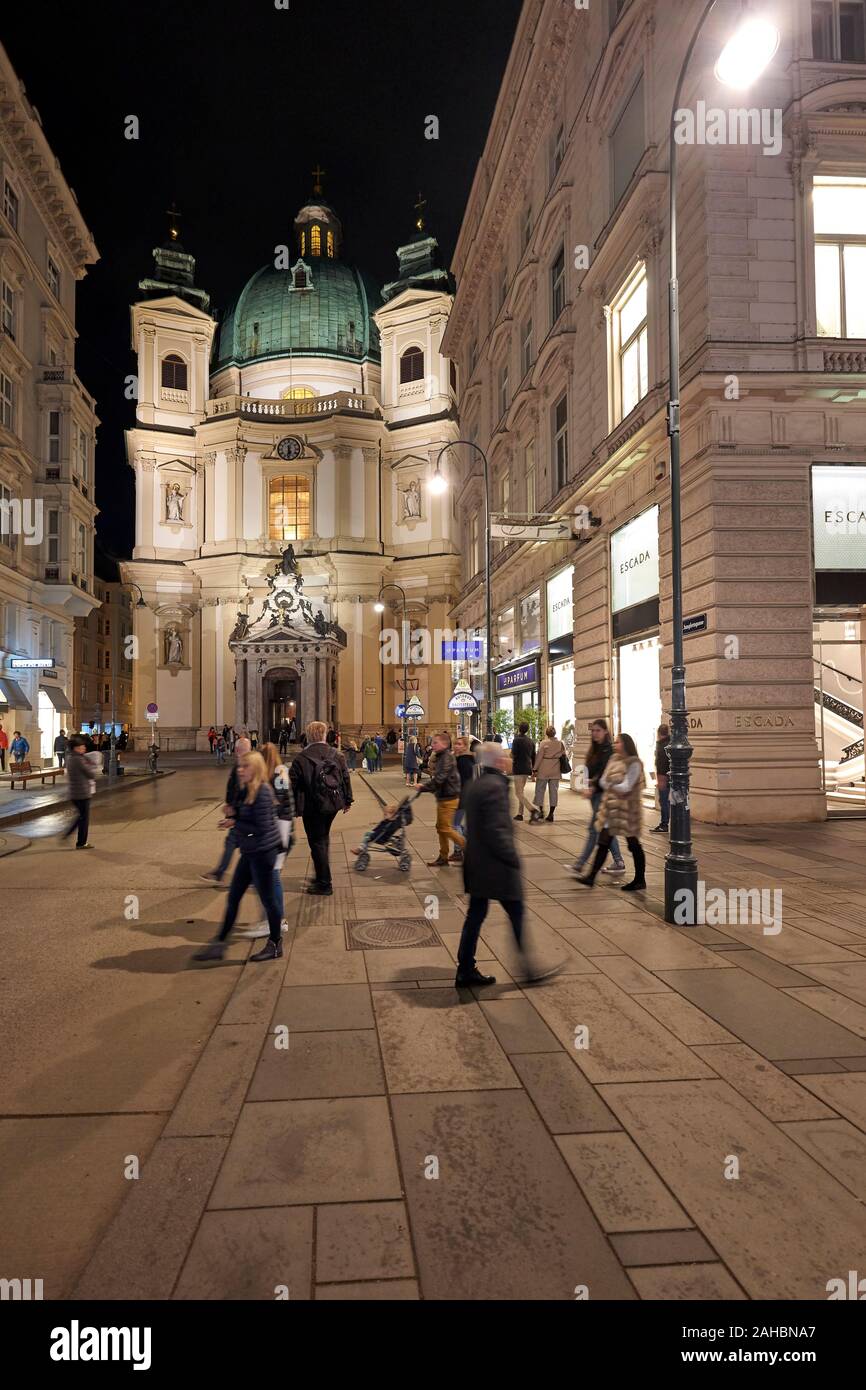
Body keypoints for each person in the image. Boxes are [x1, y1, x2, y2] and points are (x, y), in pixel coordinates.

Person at [455, 743, 559, 987]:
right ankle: (529, 970)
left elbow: (464, 821)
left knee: (475, 916)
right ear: (497, 761)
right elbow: (497, 829)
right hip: (496, 867)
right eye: (503, 755)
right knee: (516, 913)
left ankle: (465, 969)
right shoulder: (495, 787)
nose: (507, 758)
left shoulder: (475, 784)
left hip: (476, 863)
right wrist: (512, 859)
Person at [193, 751, 285, 962]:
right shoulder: (247, 790)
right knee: (233, 896)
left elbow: (261, 827)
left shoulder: (262, 792)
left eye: (245, 766)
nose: (240, 769)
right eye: (240, 766)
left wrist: (235, 822)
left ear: (256, 769)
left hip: (263, 853)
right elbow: (245, 814)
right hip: (250, 851)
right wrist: (233, 812)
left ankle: (275, 943)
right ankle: (219, 944)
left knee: (269, 901)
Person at [575, 733, 647, 892]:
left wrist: (611, 785)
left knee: (633, 844)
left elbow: (626, 787)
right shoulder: (614, 759)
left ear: (626, 744)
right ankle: (591, 877)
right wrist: (614, 785)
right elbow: (603, 781)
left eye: (618, 742)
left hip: (628, 809)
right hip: (611, 808)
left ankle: (640, 879)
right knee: (603, 842)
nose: (615, 745)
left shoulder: (634, 763)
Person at [289, 719, 353, 896]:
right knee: (322, 839)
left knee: (317, 842)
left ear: (308, 736)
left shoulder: (301, 759)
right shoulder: (336, 754)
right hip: (332, 805)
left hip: (312, 807)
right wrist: (348, 800)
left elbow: (291, 785)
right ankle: (320, 877)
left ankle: (324, 883)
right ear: (325, 735)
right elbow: (345, 778)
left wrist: (290, 807)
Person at [239, 742, 294, 940]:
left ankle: (275, 922)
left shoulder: (279, 773)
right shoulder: (274, 774)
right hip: (278, 832)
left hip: (279, 832)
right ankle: (275, 920)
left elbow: (282, 803)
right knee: (270, 878)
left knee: (272, 879)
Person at [572, 718, 626, 876]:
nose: (595, 733)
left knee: (594, 829)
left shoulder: (608, 750)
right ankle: (618, 861)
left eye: (598, 730)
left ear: (605, 732)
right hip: (595, 795)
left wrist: (593, 784)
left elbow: (605, 773)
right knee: (604, 829)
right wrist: (588, 782)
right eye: (593, 731)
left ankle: (580, 864)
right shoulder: (594, 749)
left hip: (603, 795)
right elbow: (591, 770)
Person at [200, 736, 252, 882]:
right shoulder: (245, 764)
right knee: (241, 845)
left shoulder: (244, 767)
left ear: (236, 750)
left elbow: (244, 795)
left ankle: (221, 873)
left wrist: (234, 815)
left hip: (243, 816)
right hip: (241, 815)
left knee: (236, 843)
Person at [417, 731, 465, 867]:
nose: (432, 745)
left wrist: (423, 787)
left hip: (449, 798)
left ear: (444, 743)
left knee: (445, 829)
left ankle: (469, 849)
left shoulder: (446, 758)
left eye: (435, 742)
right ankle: (443, 857)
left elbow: (440, 779)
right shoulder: (441, 756)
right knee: (440, 828)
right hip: (443, 797)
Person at [62, 737, 96, 849]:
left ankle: (69, 834)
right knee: (83, 818)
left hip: (74, 792)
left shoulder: (70, 757)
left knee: (81, 816)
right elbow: (90, 774)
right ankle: (81, 842)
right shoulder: (78, 759)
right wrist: (91, 765)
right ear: (76, 748)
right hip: (82, 792)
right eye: (82, 747)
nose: (84, 748)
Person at [531, 725, 565, 823]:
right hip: (555, 769)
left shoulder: (543, 743)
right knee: (554, 791)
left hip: (544, 769)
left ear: (546, 733)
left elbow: (539, 757)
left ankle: (541, 812)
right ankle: (551, 814)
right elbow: (564, 754)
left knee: (540, 790)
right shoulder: (560, 743)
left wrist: (534, 769)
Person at [452, 735, 476, 857]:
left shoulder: (463, 761)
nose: (456, 746)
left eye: (459, 744)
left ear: (466, 746)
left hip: (461, 796)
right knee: (458, 824)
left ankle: (458, 850)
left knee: (454, 824)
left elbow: (464, 781)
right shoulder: (467, 760)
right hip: (466, 796)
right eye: (455, 743)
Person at [510, 721, 536, 821]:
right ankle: (520, 814)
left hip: (518, 768)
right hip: (527, 768)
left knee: (518, 793)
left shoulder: (516, 740)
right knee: (521, 792)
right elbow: (534, 756)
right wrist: (534, 770)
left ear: (519, 729)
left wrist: (510, 756)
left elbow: (513, 754)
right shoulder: (530, 741)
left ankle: (532, 810)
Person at [652, 723, 671, 833]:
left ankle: (664, 824)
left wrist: (660, 779)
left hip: (664, 777)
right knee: (668, 801)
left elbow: (661, 763)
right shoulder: (669, 743)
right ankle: (666, 823)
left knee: (664, 801)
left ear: (658, 733)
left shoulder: (662, 745)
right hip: (669, 776)